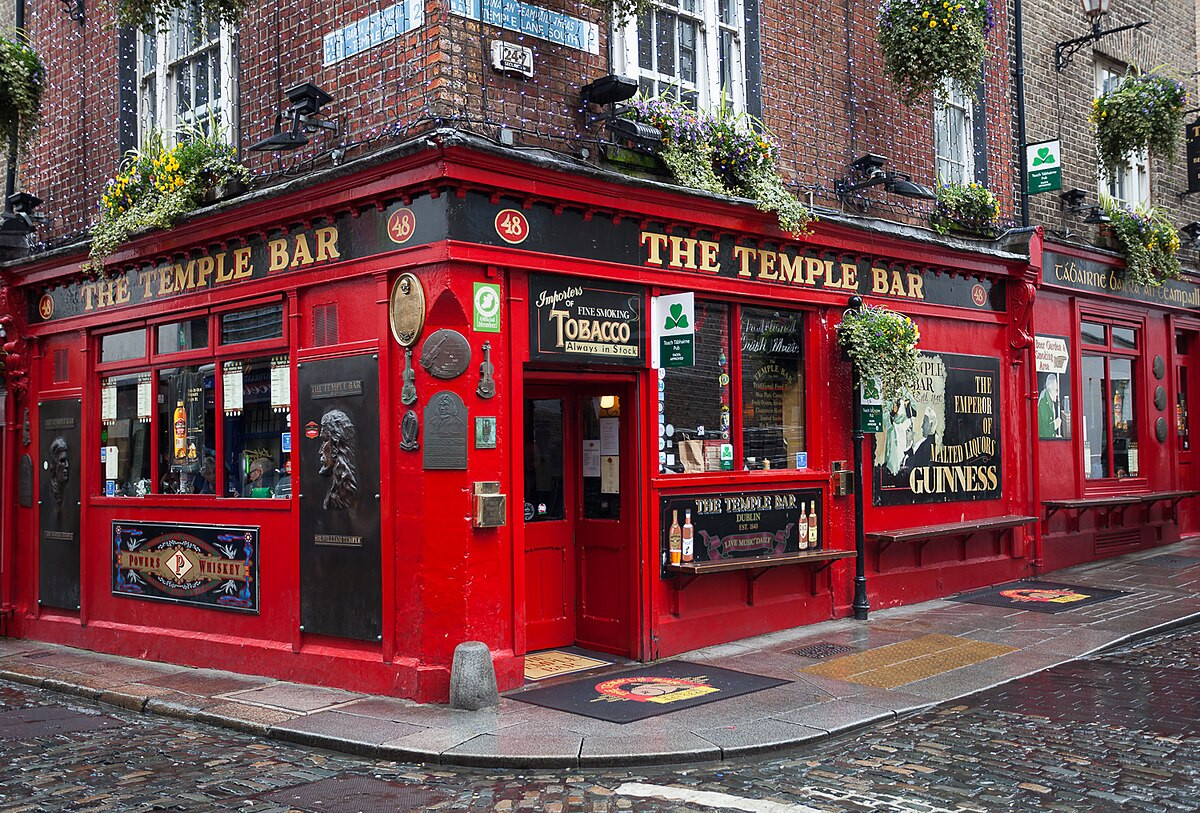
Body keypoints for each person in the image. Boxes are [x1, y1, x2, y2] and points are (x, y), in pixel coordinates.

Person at [1038, 373, 1062, 438]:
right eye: (1056, 390)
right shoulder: (1044, 403)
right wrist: (1055, 424)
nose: (1057, 394)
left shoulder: (1049, 400)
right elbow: (1044, 429)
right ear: (1051, 389)